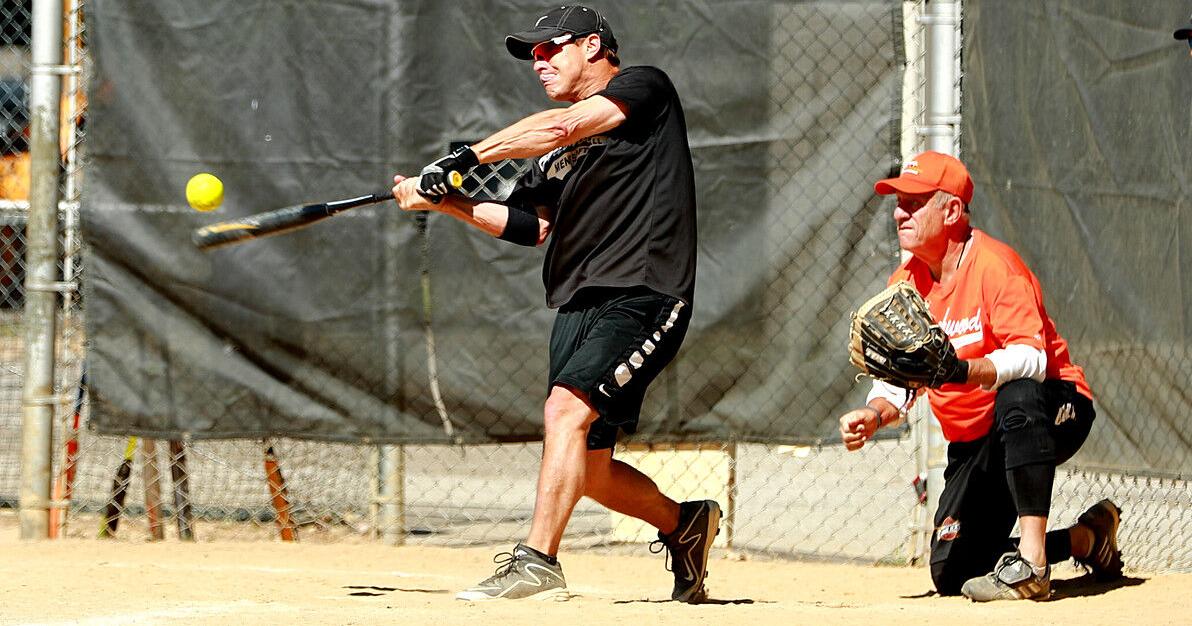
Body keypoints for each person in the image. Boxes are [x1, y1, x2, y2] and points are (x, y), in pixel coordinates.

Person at [391, 5, 719, 602]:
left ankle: (538, 563)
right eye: (533, 55)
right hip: (576, 304)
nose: (539, 63)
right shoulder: (551, 154)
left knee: (565, 411)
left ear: (593, 46)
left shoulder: (643, 88)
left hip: (643, 291)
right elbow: (529, 226)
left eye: (551, 49)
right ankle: (684, 524)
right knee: (589, 470)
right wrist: (445, 201)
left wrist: (463, 159)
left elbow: (561, 127)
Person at [837, 151, 1123, 602]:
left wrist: (963, 370)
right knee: (954, 573)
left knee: (1018, 394)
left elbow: (1033, 359)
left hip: (1054, 406)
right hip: (974, 441)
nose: (898, 212)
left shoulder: (995, 265)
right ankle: (1087, 539)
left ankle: (1031, 566)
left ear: (951, 210)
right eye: (898, 202)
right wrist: (875, 413)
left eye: (914, 202)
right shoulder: (906, 282)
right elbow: (900, 375)